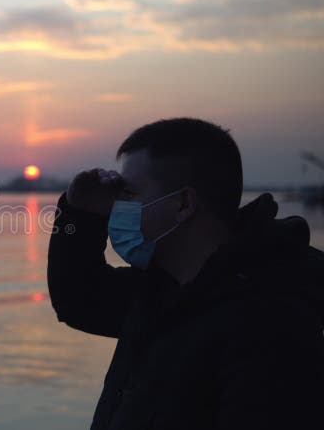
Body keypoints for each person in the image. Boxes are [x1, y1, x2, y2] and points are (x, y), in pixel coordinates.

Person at [47, 118, 324, 430]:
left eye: (128, 193)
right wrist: (80, 212)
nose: (116, 206)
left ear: (183, 204)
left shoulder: (270, 326)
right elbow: (80, 300)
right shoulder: (164, 290)